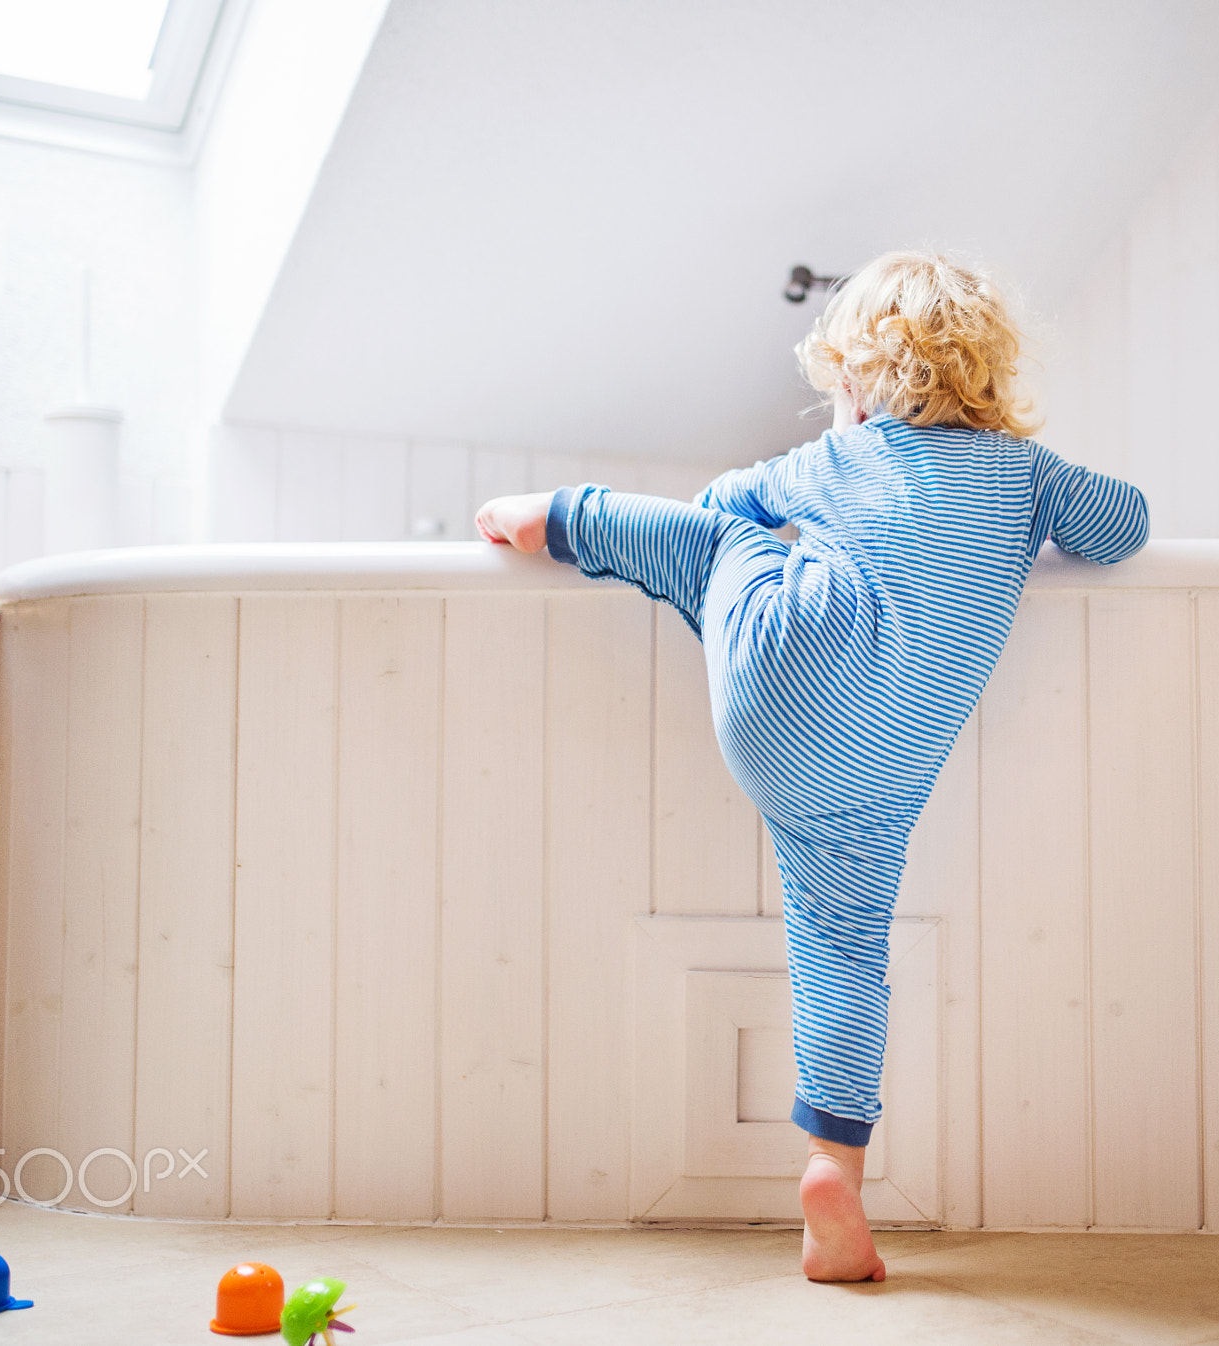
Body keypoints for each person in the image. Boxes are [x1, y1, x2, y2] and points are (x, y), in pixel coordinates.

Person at [476, 251, 1147, 1280]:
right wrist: (1035, 491)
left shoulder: (836, 461)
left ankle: (563, 516)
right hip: (874, 776)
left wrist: (816, 508)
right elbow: (1125, 526)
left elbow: (716, 506)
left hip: (770, 698)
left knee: (706, 551)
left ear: (854, 381)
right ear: (989, 378)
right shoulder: (1025, 477)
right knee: (843, 948)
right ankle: (834, 1163)